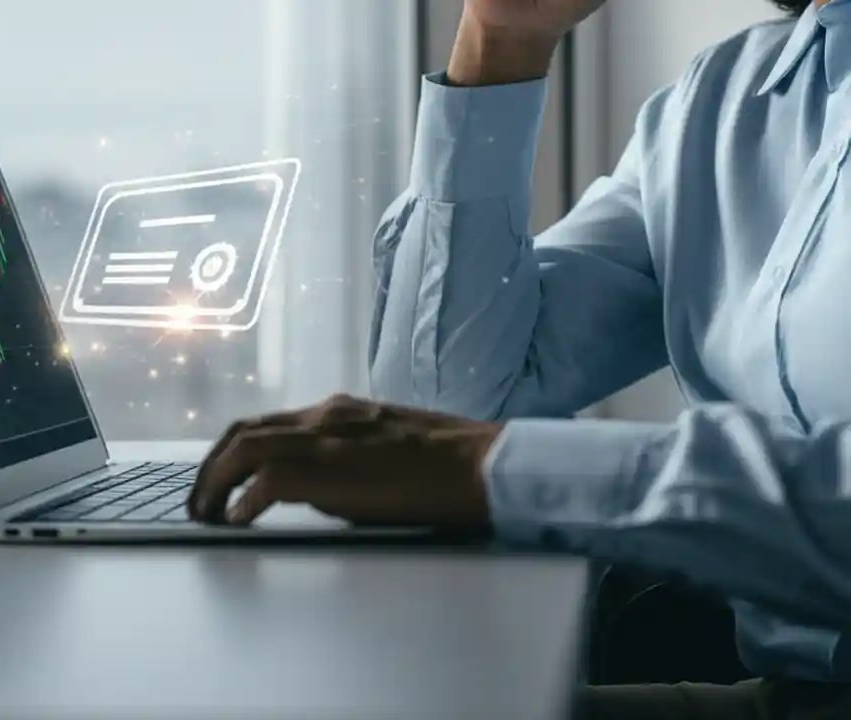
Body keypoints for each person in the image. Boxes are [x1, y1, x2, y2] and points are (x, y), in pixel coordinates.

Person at [187, 0, 851, 717]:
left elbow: (462, 444)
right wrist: (501, 37)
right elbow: (454, 404)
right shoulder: (723, 99)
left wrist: (494, 466)